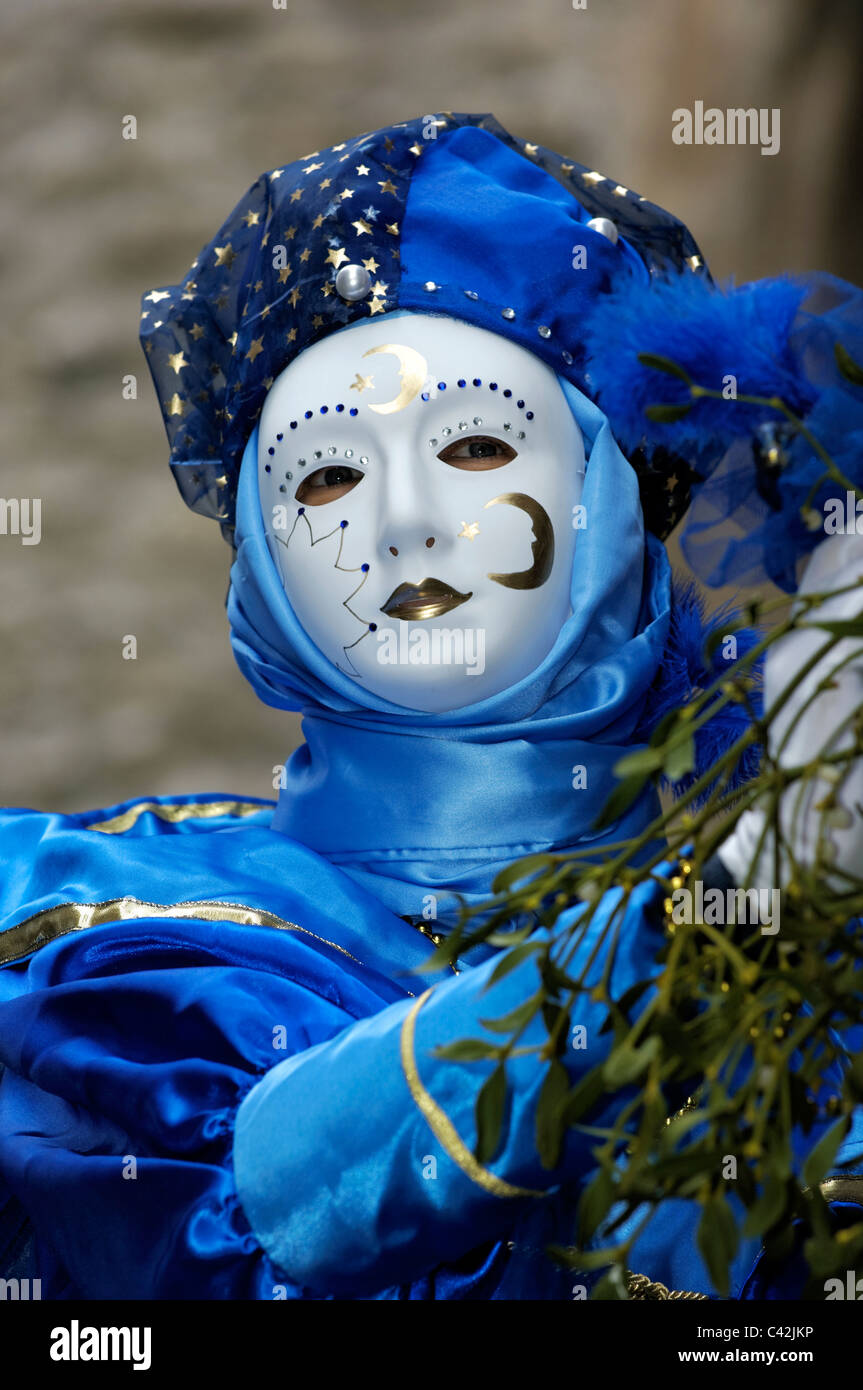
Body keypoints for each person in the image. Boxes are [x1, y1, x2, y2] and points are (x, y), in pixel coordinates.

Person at [1, 112, 862, 1301]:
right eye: (329, 471)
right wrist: (698, 916)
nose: (404, 519)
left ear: (616, 492)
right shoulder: (88, 927)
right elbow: (215, 1233)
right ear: (251, 543)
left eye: (471, 448)